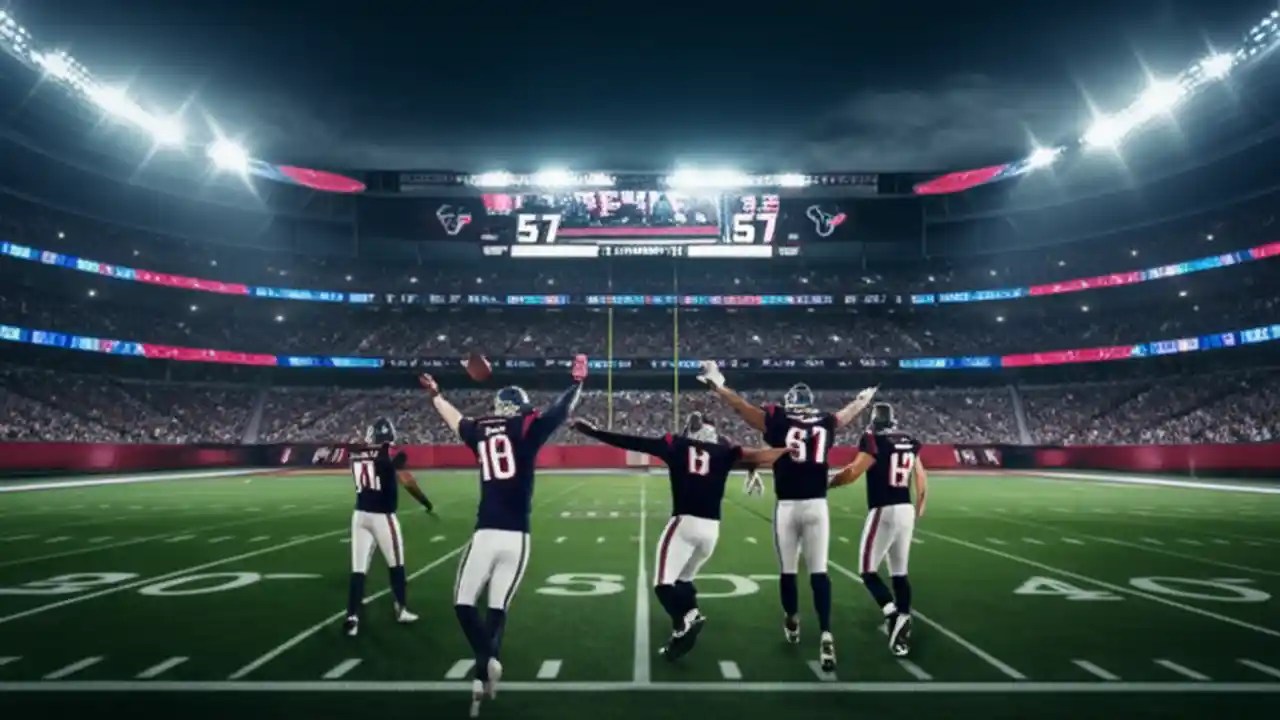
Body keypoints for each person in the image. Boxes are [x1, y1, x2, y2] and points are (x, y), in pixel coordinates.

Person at [420, 355, 587, 716]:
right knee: (497, 609)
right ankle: (487, 663)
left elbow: (455, 421)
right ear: (519, 407)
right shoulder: (526, 427)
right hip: (518, 537)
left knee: (464, 603)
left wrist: (436, 395)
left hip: (486, 532)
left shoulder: (481, 429)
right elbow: (558, 413)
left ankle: (485, 666)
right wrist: (576, 384)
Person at [698, 360, 875, 671]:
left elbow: (742, 408)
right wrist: (863, 400)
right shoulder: (825, 421)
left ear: (789, 403)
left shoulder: (778, 419)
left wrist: (719, 386)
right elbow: (846, 416)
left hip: (788, 506)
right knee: (819, 572)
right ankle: (826, 634)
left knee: (789, 571)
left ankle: (792, 620)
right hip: (817, 505)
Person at [571, 412, 788, 660]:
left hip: (684, 523)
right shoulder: (725, 451)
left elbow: (632, 442)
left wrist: (593, 432)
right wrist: (787, 450)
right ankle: (682, 629)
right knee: (684, 580)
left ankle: (685, 620)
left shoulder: (677, 444)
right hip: (712, 530)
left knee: (663, 585)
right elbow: (758, 456)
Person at [830, 402, 928, 657]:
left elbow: (853, 472)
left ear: (873, 420)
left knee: (867, 570)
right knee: (899, 572)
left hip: (883, 509)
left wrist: (828, 483)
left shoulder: (873, 439)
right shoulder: (908, 439)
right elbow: (920, 474)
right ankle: (903, 628)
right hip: (905, 509)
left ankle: (893, 614)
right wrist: (921, 501)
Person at [343, 417, 434, 638]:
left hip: (360, 515)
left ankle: (352, 616)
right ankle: (401, 608)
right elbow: (407, 481)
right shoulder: (389, 453)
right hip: (382, 516)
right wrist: (426, 502)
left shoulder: (356, 453)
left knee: (358, 570)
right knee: (396, 565)